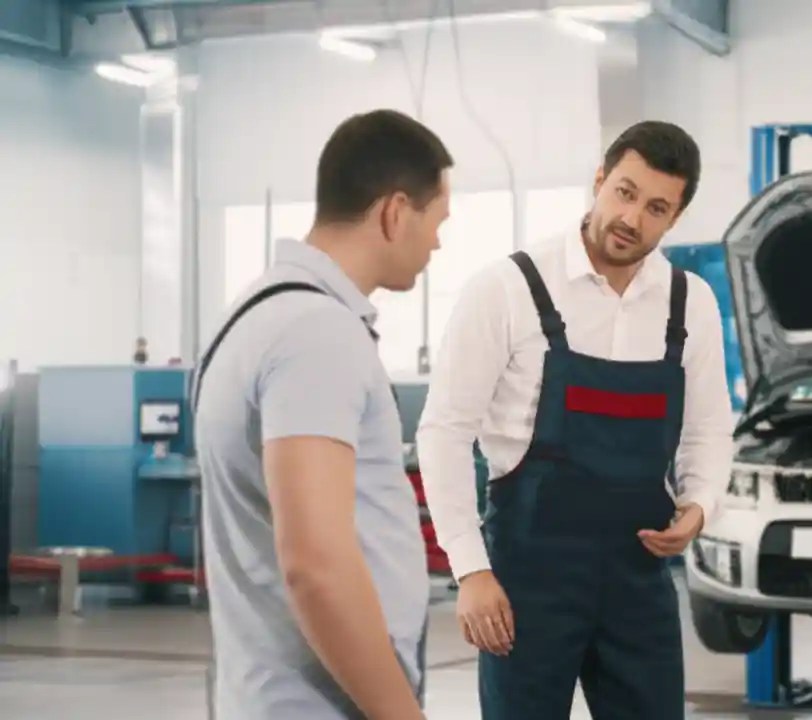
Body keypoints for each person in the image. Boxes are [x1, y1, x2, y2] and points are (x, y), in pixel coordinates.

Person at [416, 120, 735, 718]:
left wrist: (699, 505)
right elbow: (444, 432)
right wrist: (470, 571)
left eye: (657, 207)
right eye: (625, 192)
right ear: (599, 180)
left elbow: (709, 431)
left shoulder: (690, 304)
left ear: (676, 216)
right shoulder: (507, 289)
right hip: (525, 586)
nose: (633, 218)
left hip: (639, 583)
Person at [193, 109, 452, 720]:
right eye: (437, 221)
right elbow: (316, 565)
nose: (439, 243)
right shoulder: (317, 334)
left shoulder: (250, 317)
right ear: (394, 213)